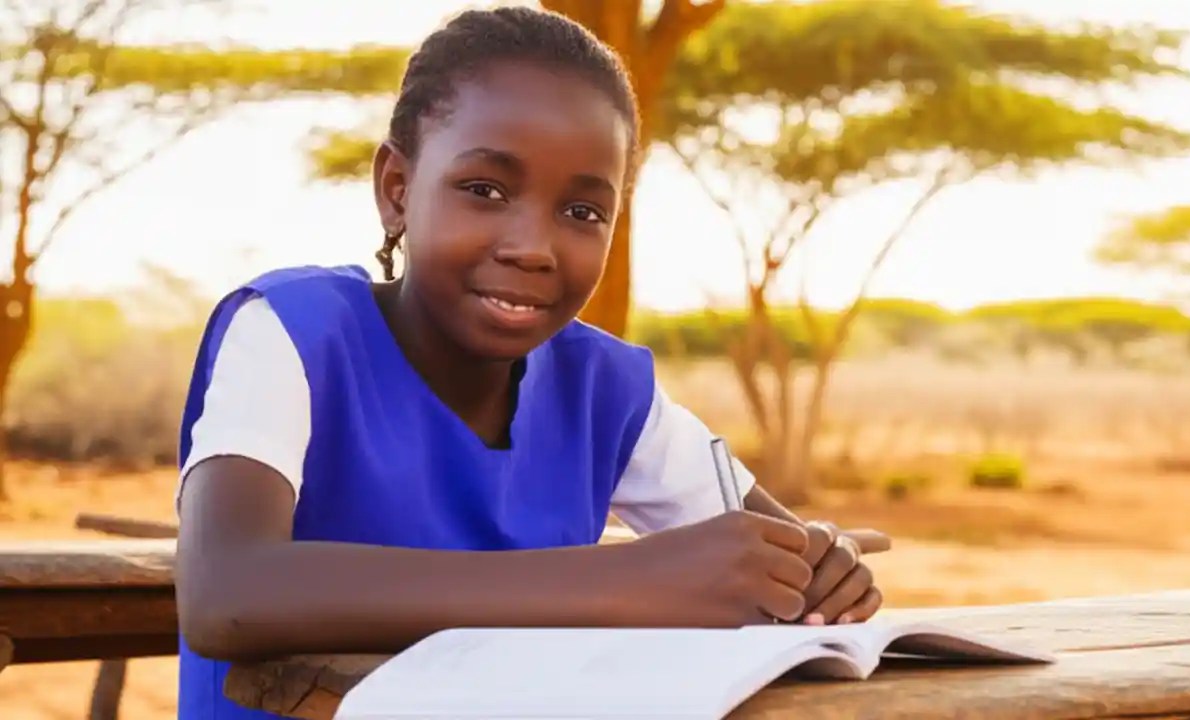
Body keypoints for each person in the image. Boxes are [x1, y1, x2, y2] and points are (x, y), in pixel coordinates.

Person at [173, 6, 889, 718]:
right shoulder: (295, 333)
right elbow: (227, 591)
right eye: (486, 190)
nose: (532, 246)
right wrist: (628, 579)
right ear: (396, 190)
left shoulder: (604, 390)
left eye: (582, 212)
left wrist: (823, 571)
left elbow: (776, 558)